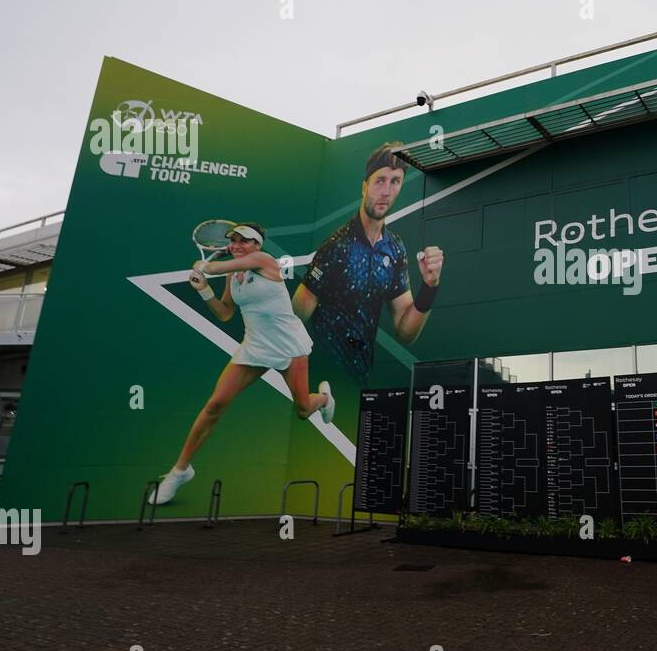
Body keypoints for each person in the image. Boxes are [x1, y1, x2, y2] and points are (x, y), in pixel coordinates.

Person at [148, 223, 334, 505]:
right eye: (233, 241)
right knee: (215, 405)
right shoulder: (232, 274)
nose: (236, 245)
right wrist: (203, 291)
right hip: (255, 346)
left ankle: (322, 398)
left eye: (243, 241)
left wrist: (204, 267)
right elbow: (225, 314)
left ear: (257, 245)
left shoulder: (264, 261)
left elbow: (210, 267)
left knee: (303, 410)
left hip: (289, 347)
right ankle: (181, 470)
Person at [291, 143, 444, 385]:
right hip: (322, 380)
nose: (386, 190)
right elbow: (295, 319)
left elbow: (405, 332)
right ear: (364, 187)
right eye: (379, 180)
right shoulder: (336, 246)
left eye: (395, 181)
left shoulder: (395, 248)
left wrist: (430, 286)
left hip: (360, 381)